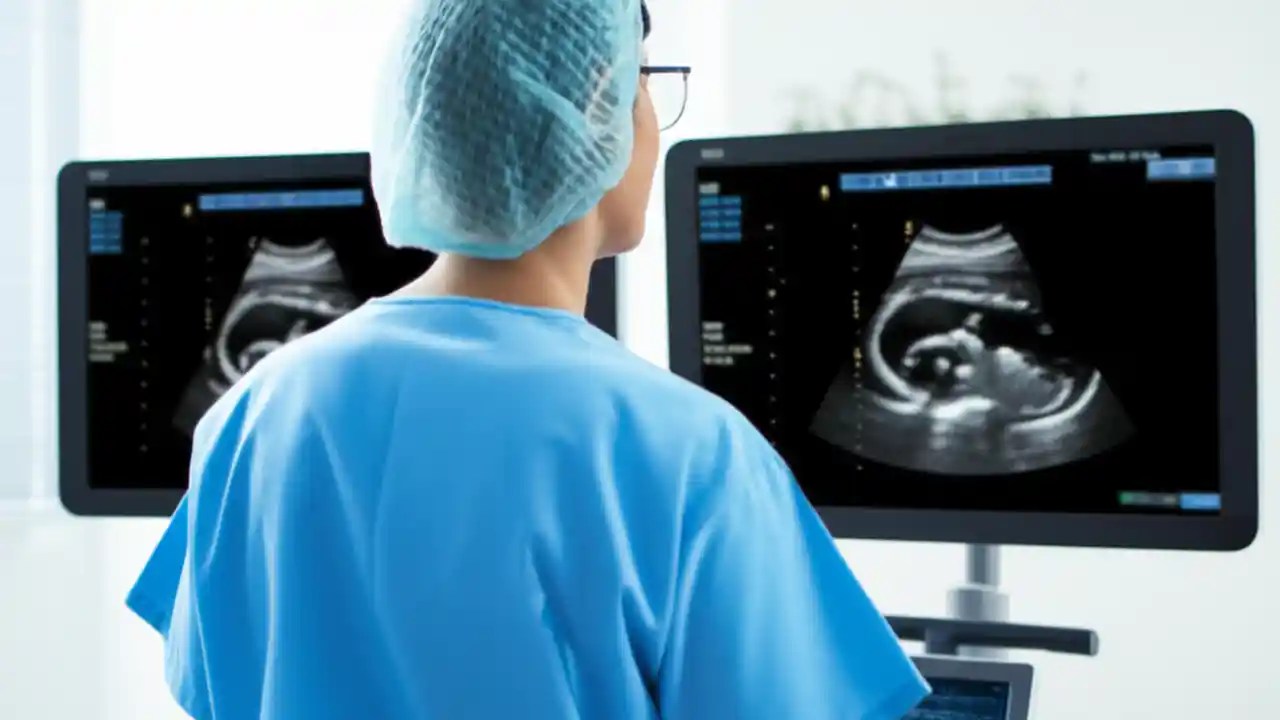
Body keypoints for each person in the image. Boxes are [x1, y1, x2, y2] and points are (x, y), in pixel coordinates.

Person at [125, 1, 930, 718]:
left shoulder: (253, 413)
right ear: (593, 104)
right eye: (645, 82)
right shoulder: (685, 452)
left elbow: (220, 682)